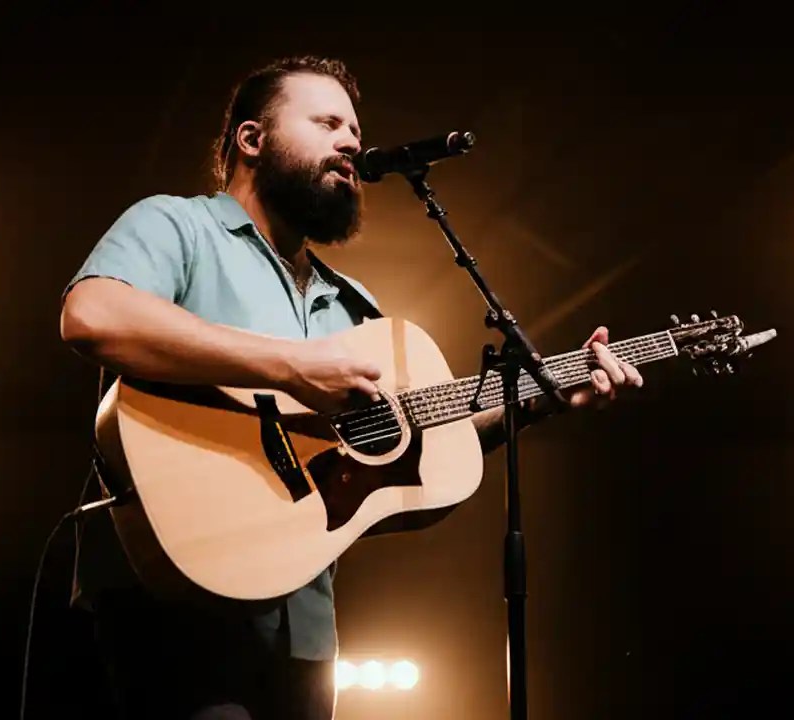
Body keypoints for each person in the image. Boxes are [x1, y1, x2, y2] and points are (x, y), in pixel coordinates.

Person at [59, 55, 642, 720]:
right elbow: (93, 316)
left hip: (305, 624)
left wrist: (538, 397)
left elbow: (425, 443)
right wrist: (291, 368)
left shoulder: (355, 305)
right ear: (252, 140)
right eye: (328, 122)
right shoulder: (178, 226)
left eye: (356, 131)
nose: (352, 143)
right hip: (170, 595)